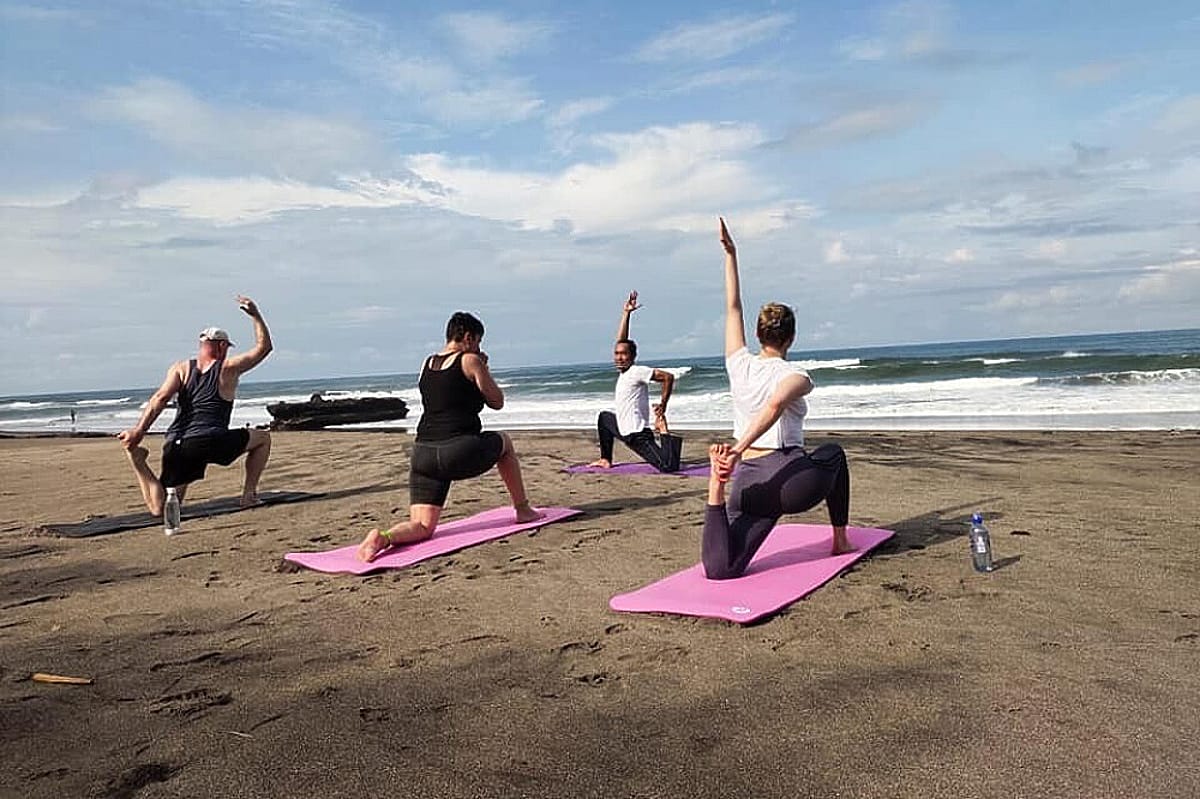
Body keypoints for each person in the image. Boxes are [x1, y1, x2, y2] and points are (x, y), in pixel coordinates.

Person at [702, 218, 853, 580]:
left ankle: (714, 489)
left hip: (748, 487)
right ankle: (840, 539)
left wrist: (730, 255)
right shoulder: (797, 376)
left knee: (722, 568)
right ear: (792, 338)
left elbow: (733, 307)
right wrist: (736, 450)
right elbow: (774, 406)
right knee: (834, 454)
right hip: (789, 484)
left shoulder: (737, 363)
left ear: (757, 334)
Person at [356, 312, 542, 562]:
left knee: (422, 527)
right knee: (505, 443)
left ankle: (382, 537)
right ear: (467, 337)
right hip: (457, 450)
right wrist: (484, 367)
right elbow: (497, 401)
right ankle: (523, 509)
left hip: (422, 454)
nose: (479, 347)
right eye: (478, 341)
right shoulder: (469, 361)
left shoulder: (427, 363)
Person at [117, 296, 274, 516]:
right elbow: (264, 347)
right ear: (221, 346)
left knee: (161, 509)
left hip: (178, 443)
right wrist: (256, 315)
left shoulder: (180, 368)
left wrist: (139, 431)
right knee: (263, 438)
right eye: (227, 347)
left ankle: (138, 461)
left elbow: (160, 398)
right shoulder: (227, 368)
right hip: (210, 440)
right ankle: (248, 496)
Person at [587, 291, 683, 473]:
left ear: (632, 357)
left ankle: (663, 430)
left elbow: (668, 377)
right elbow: (621, 341)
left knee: (668, 466)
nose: (619, 357)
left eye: (624, 354)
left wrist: (663, 405)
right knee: (604, 418)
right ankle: (605, 459)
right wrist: (626, 313)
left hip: (637, 435)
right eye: (617, 354)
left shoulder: (637, 371)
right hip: (622, 429)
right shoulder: (624, 373)